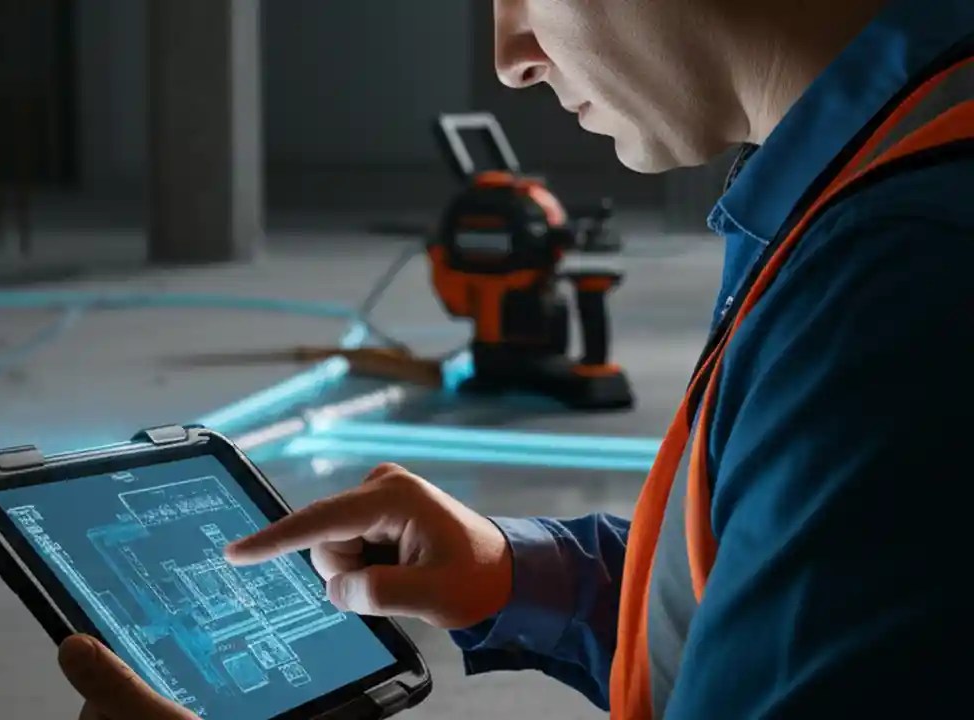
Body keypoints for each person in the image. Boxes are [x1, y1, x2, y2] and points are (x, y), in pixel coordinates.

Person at [59, 0, 974, 717]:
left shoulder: (900, 277)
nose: (511, 56)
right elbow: (792, 625)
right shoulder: (882, 183)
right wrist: (518, 572)